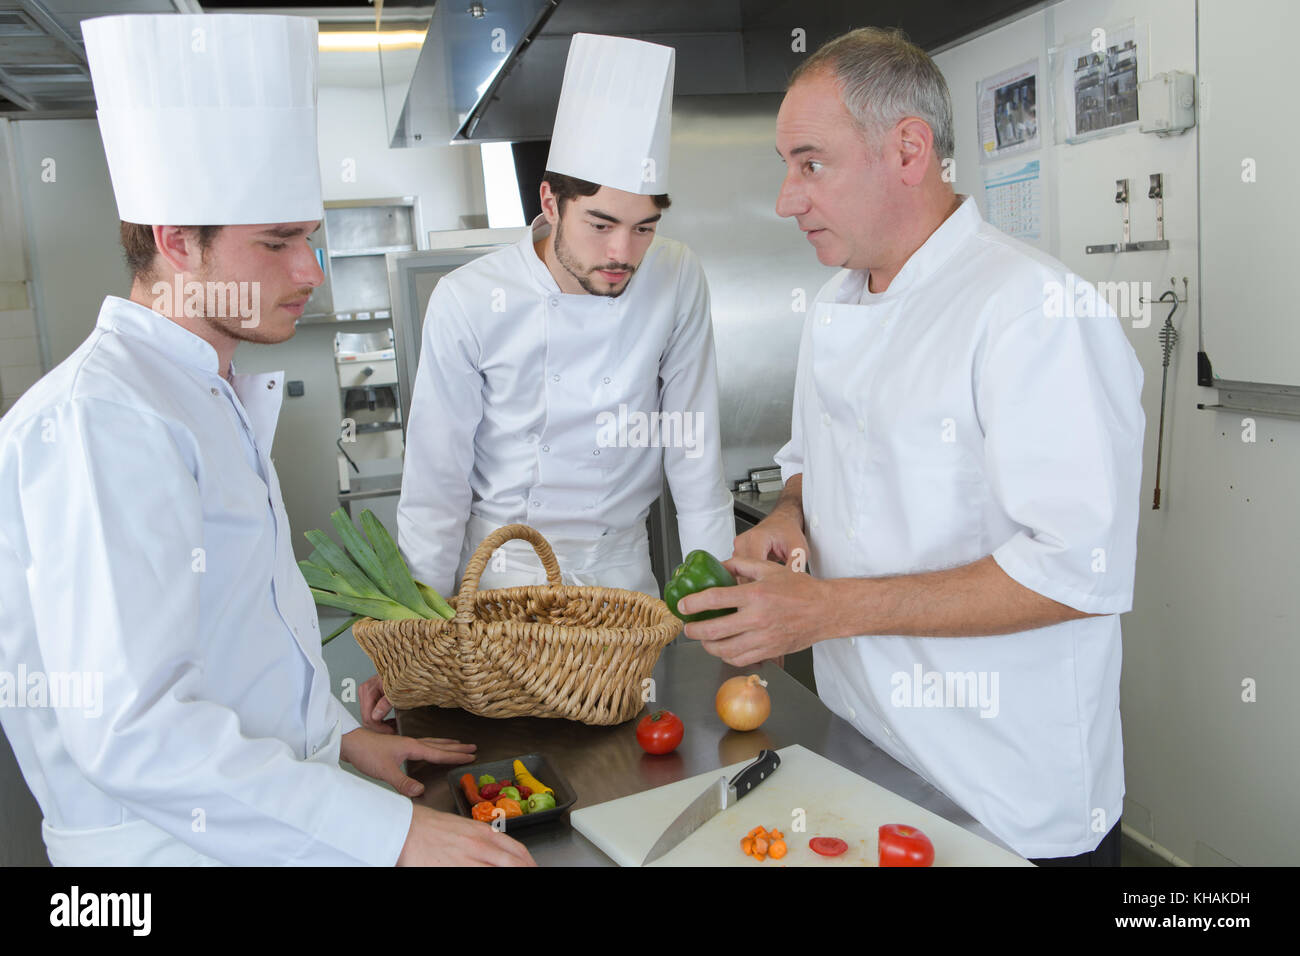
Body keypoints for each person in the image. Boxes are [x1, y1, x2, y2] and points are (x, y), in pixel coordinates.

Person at [0, 13, 533, 867]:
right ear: (177, 242)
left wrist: (335, 738)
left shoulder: (205, 391)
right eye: (278, 242)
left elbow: (244, 638)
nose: (309, 272)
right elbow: (136, 733)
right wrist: (389, 834)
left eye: (309, 238)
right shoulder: (105, 422)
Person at [678, 27, 1144, 866]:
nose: (787, 198)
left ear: (908, 149)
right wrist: (791, 516)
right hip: (868, 756)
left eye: (809, 163)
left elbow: (1079, 571)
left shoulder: (1032, 311)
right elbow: (809, 464)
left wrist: (828, 611)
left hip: (1005, 793)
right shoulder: (833, 303)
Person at [361, 34, 734, 730]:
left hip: (623, 595)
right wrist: (408, 644)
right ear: (550, 201)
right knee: (508, 769)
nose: (623, 253)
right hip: (500, 594)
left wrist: (722, 600)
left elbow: (693, 448)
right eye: (600, 224)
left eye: (644, 227)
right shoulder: (470, 299)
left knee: (630, 770)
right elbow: (436, 486)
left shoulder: (678, 275)